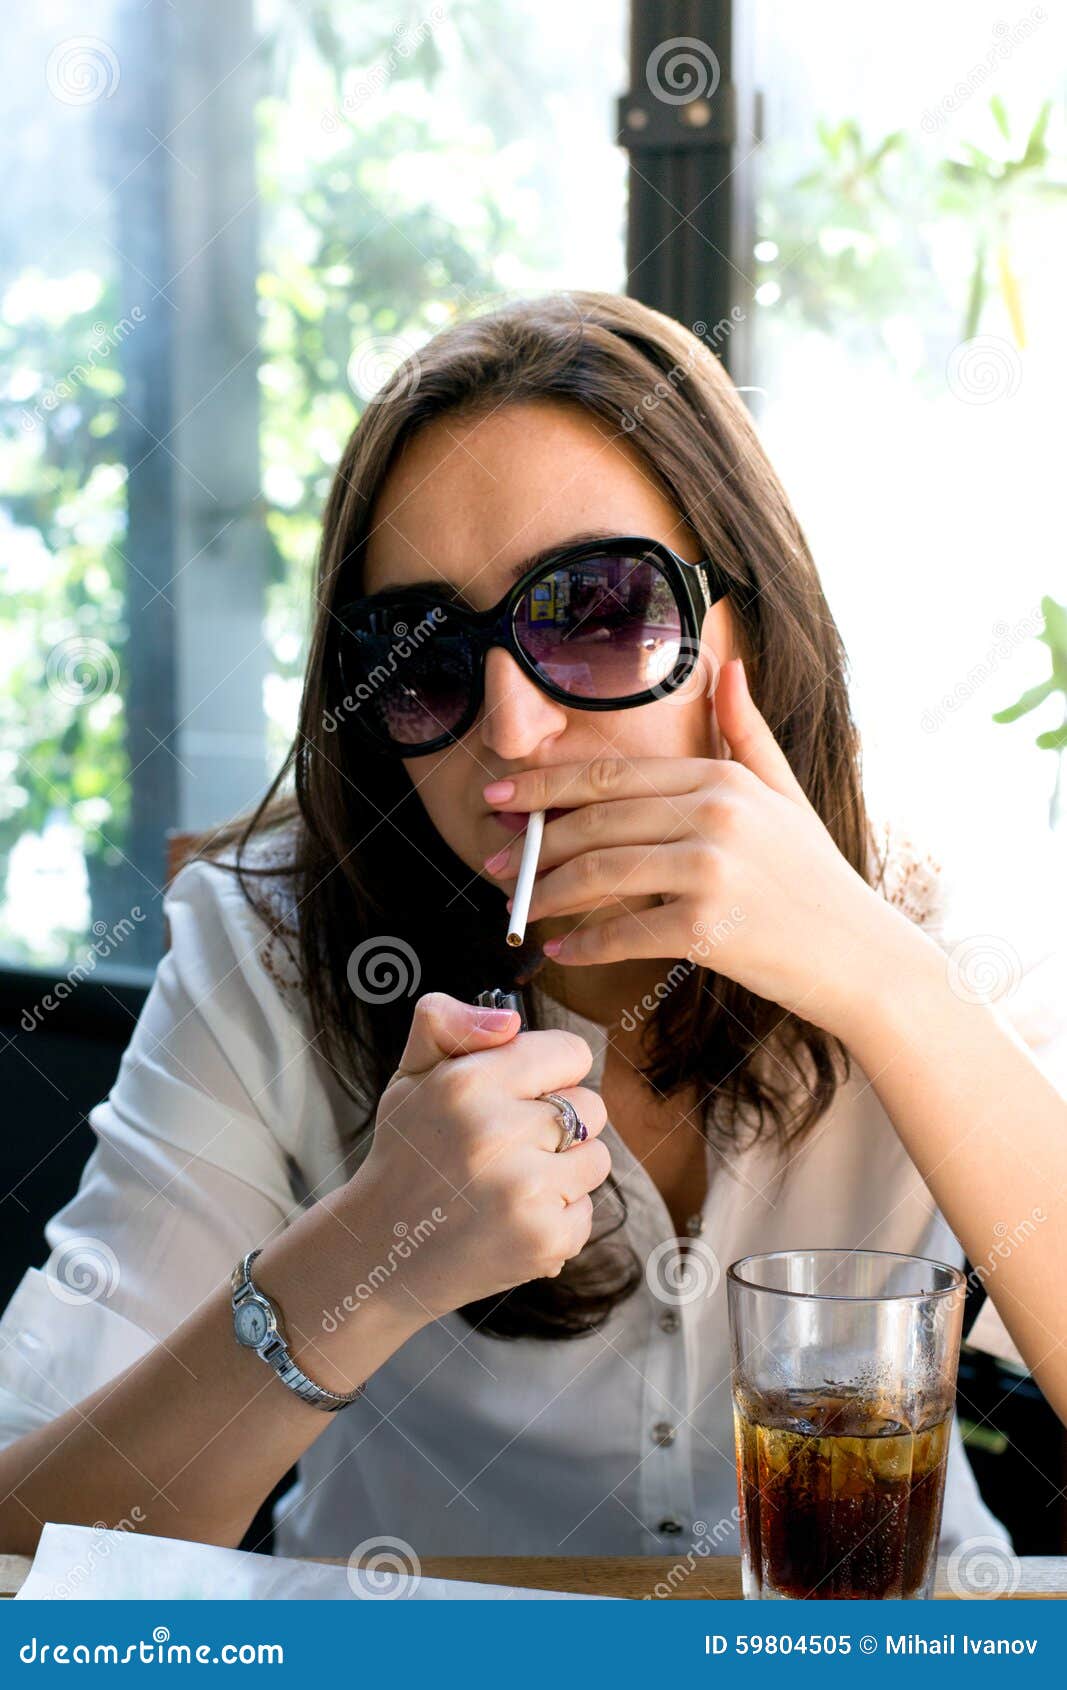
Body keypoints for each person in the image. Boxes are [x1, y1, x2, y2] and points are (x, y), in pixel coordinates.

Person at [0, 291, 1063, 1569]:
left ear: (748, 622)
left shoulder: (941, 912)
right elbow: (32, 1540)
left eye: (597, 612)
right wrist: (364, 1263)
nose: (508, 731)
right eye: (423, 654)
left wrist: (890, 987)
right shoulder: (266, 947)